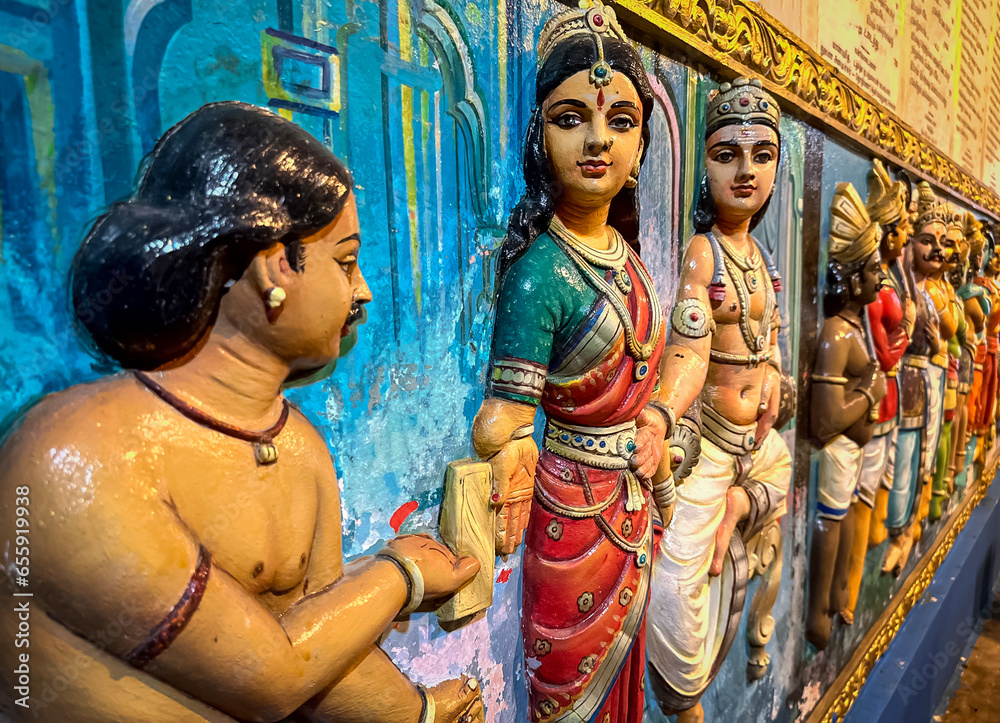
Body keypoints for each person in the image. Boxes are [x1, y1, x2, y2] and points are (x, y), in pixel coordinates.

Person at [0, 102, 484, 723]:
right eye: (344, 261)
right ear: (273, 266)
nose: (361, 291)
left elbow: (323, 654)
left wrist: (419, 712)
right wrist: (400, 574)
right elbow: (275, 676)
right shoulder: (78, 457)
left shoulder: (298, 447)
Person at [470, 3, 667, 720]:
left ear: (643, 144)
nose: (596, 140)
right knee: (570, 697)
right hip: (569, 518)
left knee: (625, 690)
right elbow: (502, 424)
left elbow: (648, 391)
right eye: (569, 118)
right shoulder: (541, 271)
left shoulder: (633, 266)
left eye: (620, 121)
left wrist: (655, 433)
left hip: (634, 509)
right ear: (537, 136)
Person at [644, 77, 792, 722]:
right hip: (708, 442)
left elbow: (770, 342)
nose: (745, 170)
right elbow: (689, 349)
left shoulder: (759, 254)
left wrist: (777, 383)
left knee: (786, 472)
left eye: (762, 156)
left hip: (754, 449)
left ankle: (739, 507)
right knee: (675, 581)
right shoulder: (705, 256)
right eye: (727, 154)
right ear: (702, 165)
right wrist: (662, 414)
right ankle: (685, 701)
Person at [842, 161, 912, 624]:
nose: (904, 238)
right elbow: (884, 354)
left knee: (885, 479)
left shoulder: (891, 276)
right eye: (901, 229)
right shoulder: (877, 283)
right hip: (874, 392)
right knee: (861, 492)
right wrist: (904, 336)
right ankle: (847, 596)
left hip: (890, 394)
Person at [883, 182, 950, 575]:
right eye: (926, 241)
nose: (936, 251)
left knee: (922, 454)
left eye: (939, 243)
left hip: (925, 384)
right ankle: (897, 531)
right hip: (906, 381)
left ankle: (907, 528)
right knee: (903, 458)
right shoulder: (905, 286)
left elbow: (935, 339)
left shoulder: (928, 293)